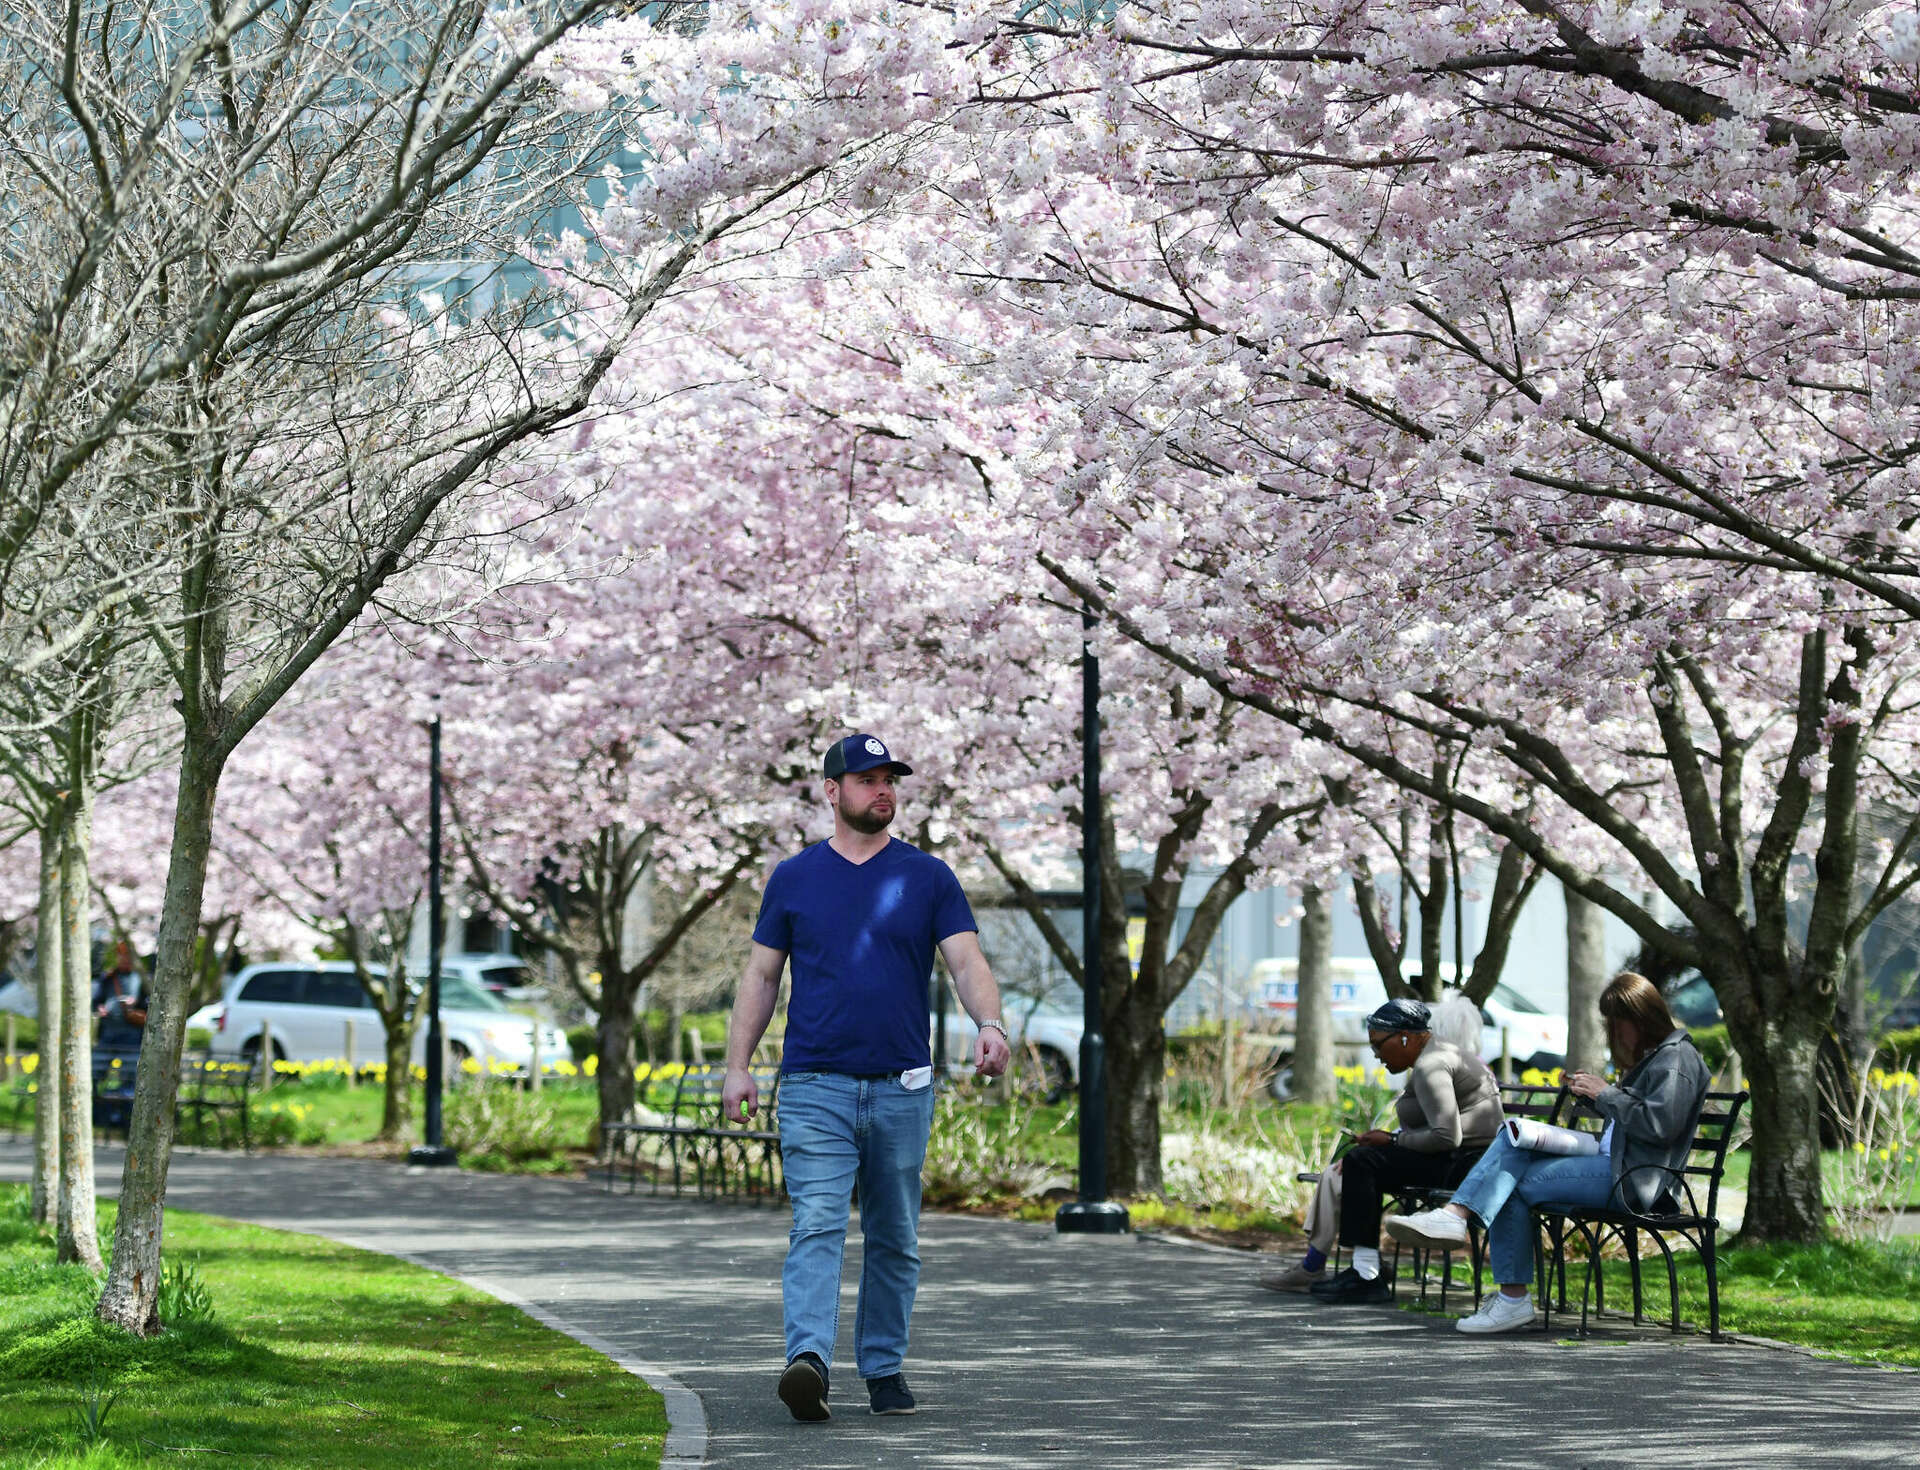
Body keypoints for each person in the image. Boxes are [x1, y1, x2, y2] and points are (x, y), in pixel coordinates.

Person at [722, 733, 1012, 1423]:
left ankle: (883, 1367)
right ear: (831, 791)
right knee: (817, 1224)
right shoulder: (794, 878)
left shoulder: (928, 876)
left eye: (889, 779)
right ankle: (810, 1363)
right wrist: (738, 1067)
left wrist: (991, 1024)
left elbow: (966, 963)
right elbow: (762, 975)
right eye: (865, 779)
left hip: (902, 1087)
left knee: (894, 1237)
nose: (882, 789)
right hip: (815, 1084)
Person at [1385, 971, 1710, 1334]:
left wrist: (1605, 1093)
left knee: (1510, 1181)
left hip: (1634, 1179)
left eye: (1617, 1024)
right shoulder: (1660, 1058)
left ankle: (1499, 1280)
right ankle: (1474, 1244)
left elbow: (1660, 1126)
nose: (1615, 1034)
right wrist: (1591, 1095)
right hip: (1617, 1166)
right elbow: (1638, 1117)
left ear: (1640, 1019)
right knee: (1515, 1140)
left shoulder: (1676, 1060)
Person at [1263, 995, 1503, 1303]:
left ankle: (1366, 1275)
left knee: (1361, 1162)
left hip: (1466, 1167)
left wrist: (1391, 1141)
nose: (1376, 1055)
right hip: (1466, 1161)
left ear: (1405, 1037)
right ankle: (1364, 1270)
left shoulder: (1432, 1064)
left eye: (1378, 1045)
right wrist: (1389, 1140)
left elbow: (1446, 1136)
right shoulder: (1438, 1052)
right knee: (1361, 1161)